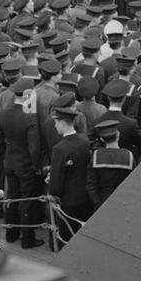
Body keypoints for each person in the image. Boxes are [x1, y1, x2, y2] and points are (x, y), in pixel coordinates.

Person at [0, 78, 44, 248]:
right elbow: (34, 147)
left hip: (9, 161)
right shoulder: (30, 117)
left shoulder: (4, 113)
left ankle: (11, 233)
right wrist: (37, 166)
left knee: (11, 197)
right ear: (27, 95)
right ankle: (27, 239)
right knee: (27, 200)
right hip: (25, 165)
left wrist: (4, 157)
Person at [47, 105, 93, 245]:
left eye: (56, 122)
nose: (55, 126)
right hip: (84, 197)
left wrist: (51, 187)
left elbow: (55, 184)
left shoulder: (60, 149)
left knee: (65, 238)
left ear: (62, 122)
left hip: (67, 201)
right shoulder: (84, 140)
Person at [87, 118, 135, 207]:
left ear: (101, 139)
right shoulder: (128, 156)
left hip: (102, 201)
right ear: (118, 135)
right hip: (123, 203)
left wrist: (98, 204)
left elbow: (91, 184)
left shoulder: (96, 156)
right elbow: (133, 185)